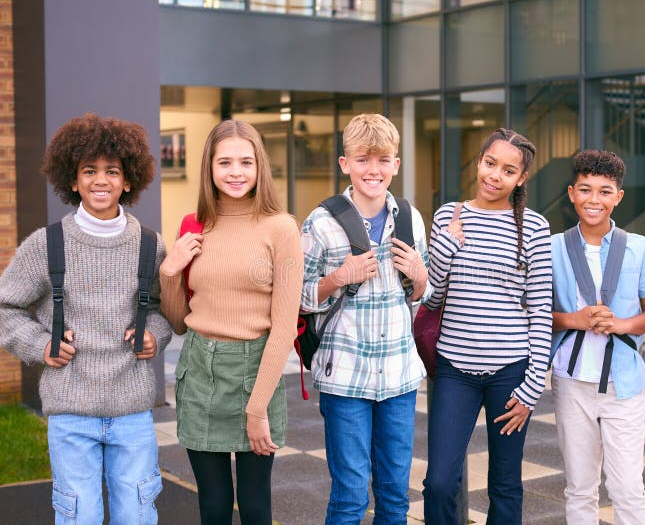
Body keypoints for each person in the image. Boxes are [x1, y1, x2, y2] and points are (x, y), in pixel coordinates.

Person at [0, 113, 172, 524]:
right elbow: (6, 307)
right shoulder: (45, 245)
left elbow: (165, 309)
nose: (101, 180)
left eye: (112, 171)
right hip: (70, 414)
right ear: (73, 181)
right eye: (89, 170)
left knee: (136, 514)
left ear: (128, 181)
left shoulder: (151, 246)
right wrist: (40, 345)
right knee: (79, 516)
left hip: (132, 412)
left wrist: (155, 334)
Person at [159, 120, 303, 525]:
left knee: (255, 507)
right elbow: (179, 323)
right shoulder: (194, 225)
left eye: (246, 162)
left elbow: (283, 328)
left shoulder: (281, 228)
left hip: (256, 371)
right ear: (209, 166)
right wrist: (169, 271)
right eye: (224, 162)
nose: (235, 172)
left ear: (260, 167)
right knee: (214, 506)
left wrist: (256, 409)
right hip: (199, 370)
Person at [300, 113, 430, 524]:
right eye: (362, 160)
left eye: (382, 160)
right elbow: (299, 297)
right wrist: (338, 278)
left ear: (396, 164)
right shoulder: (321, 223)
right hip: (345, 379)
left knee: (395, 497)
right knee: (350, 497)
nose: (373, 170)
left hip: (398, 378)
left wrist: (421, 277)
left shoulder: (409, 218)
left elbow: (420, 296)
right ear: (345, 164)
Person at [422, 128, 552, 524]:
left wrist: (532, 388)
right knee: (439, 482)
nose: (495, 176)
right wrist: (446, 248)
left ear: (522, 178)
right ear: (479, 161)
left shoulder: (534, 227)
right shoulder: (448, 215)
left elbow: (540, 310)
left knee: (505, 485)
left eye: (508, 171)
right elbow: (431, 297)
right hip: (454, 370)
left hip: (510, 373)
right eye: (490, 163)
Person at [549, 150, 645, 524]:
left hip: (623, 382)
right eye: (585, 190)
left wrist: (620, 325)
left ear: (618, 196)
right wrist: (575, 319)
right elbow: (536, 316)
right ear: (572, 193)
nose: (594, 199)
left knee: (627, 487)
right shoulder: (551, 248)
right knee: (579, 487)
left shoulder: (638, 247)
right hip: (571, 380)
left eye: (605, 191)